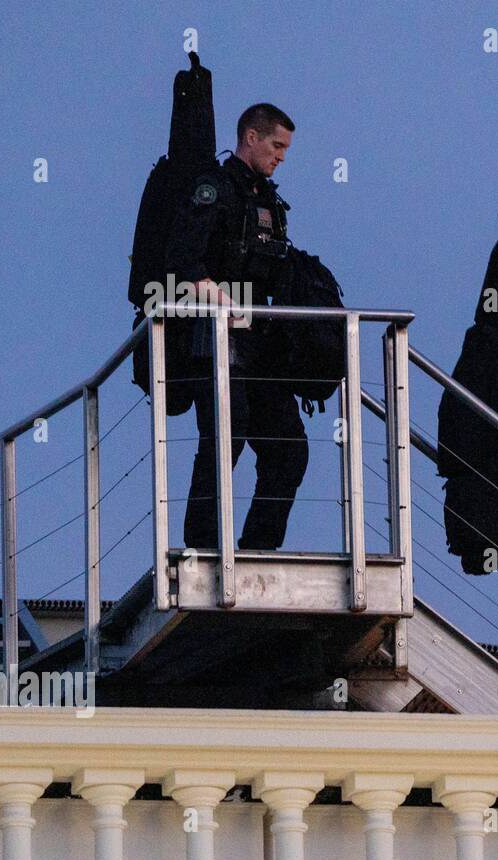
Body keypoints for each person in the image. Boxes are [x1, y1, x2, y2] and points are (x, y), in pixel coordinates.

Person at [164, 103, 308, 551]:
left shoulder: (267, 199)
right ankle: (203, 547)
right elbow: (181, 262)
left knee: (288, 447)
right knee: (227, 435)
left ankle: (258, 549)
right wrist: (223, 301)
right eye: (276, 145)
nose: (281, 156)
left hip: (261, 339)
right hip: (213, 337)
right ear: (251, 137)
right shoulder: (213, 189)